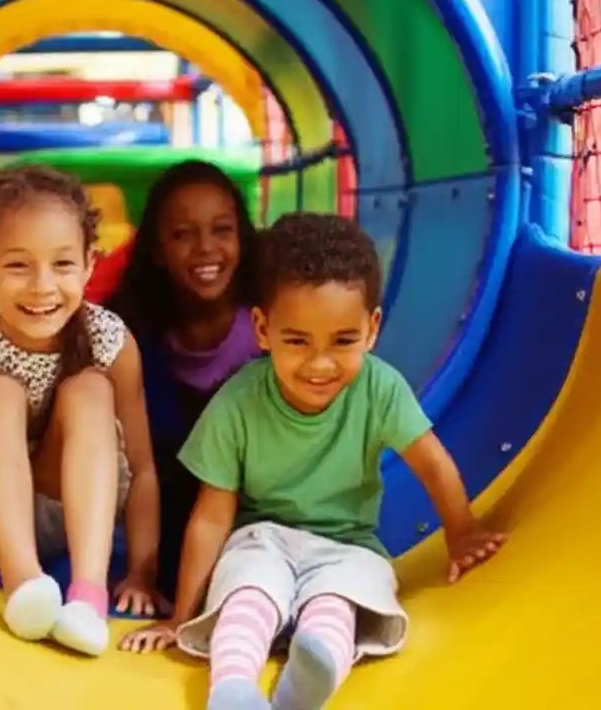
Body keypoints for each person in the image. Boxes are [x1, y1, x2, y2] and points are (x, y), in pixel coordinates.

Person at [119, 213, 506, 709]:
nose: (320, 365)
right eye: (297, 341)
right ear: (262, 329)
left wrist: (462, 533)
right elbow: (212, 516)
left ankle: (307, 680)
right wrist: (180, 615)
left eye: (343, 341)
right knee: (247, 590)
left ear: (372, 329)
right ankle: (234, 690)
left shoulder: (380, 388)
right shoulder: (238, 403)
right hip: (263, 539)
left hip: (349, 546)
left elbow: (431, 462)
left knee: (339, 600)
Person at [0, 166, 163, 657]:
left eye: (62, 265)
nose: (43, 287)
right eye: (19, 266)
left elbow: (143, 468)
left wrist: (142, 571)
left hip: (71, 510)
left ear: (89, 264)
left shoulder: (111, 342)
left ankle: (87, 597)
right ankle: (24, 586)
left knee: (90, 390)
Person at [107, 160, 262, 600]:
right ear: (156, 249)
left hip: (258, 514)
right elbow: (138, 465)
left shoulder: (270, 326)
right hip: (171, 517)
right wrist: (142, 570)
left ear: (242, 239)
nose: (205, 248)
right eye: (182, 234)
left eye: (222, 230)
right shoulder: (135, 333)